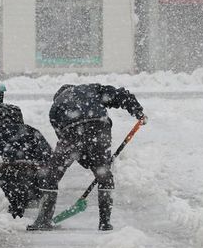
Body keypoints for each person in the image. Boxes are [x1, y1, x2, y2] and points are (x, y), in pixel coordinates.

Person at [27, 83, 148, 231]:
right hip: (99, 127)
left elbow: (65, 140)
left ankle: (43, 220)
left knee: (51, 175)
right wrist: (138, 111)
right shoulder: (91, 89)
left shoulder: (55, 108)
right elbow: (121, 95)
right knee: (104, 175)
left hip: (71, 131)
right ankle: (105, 222)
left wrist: (83, 158)